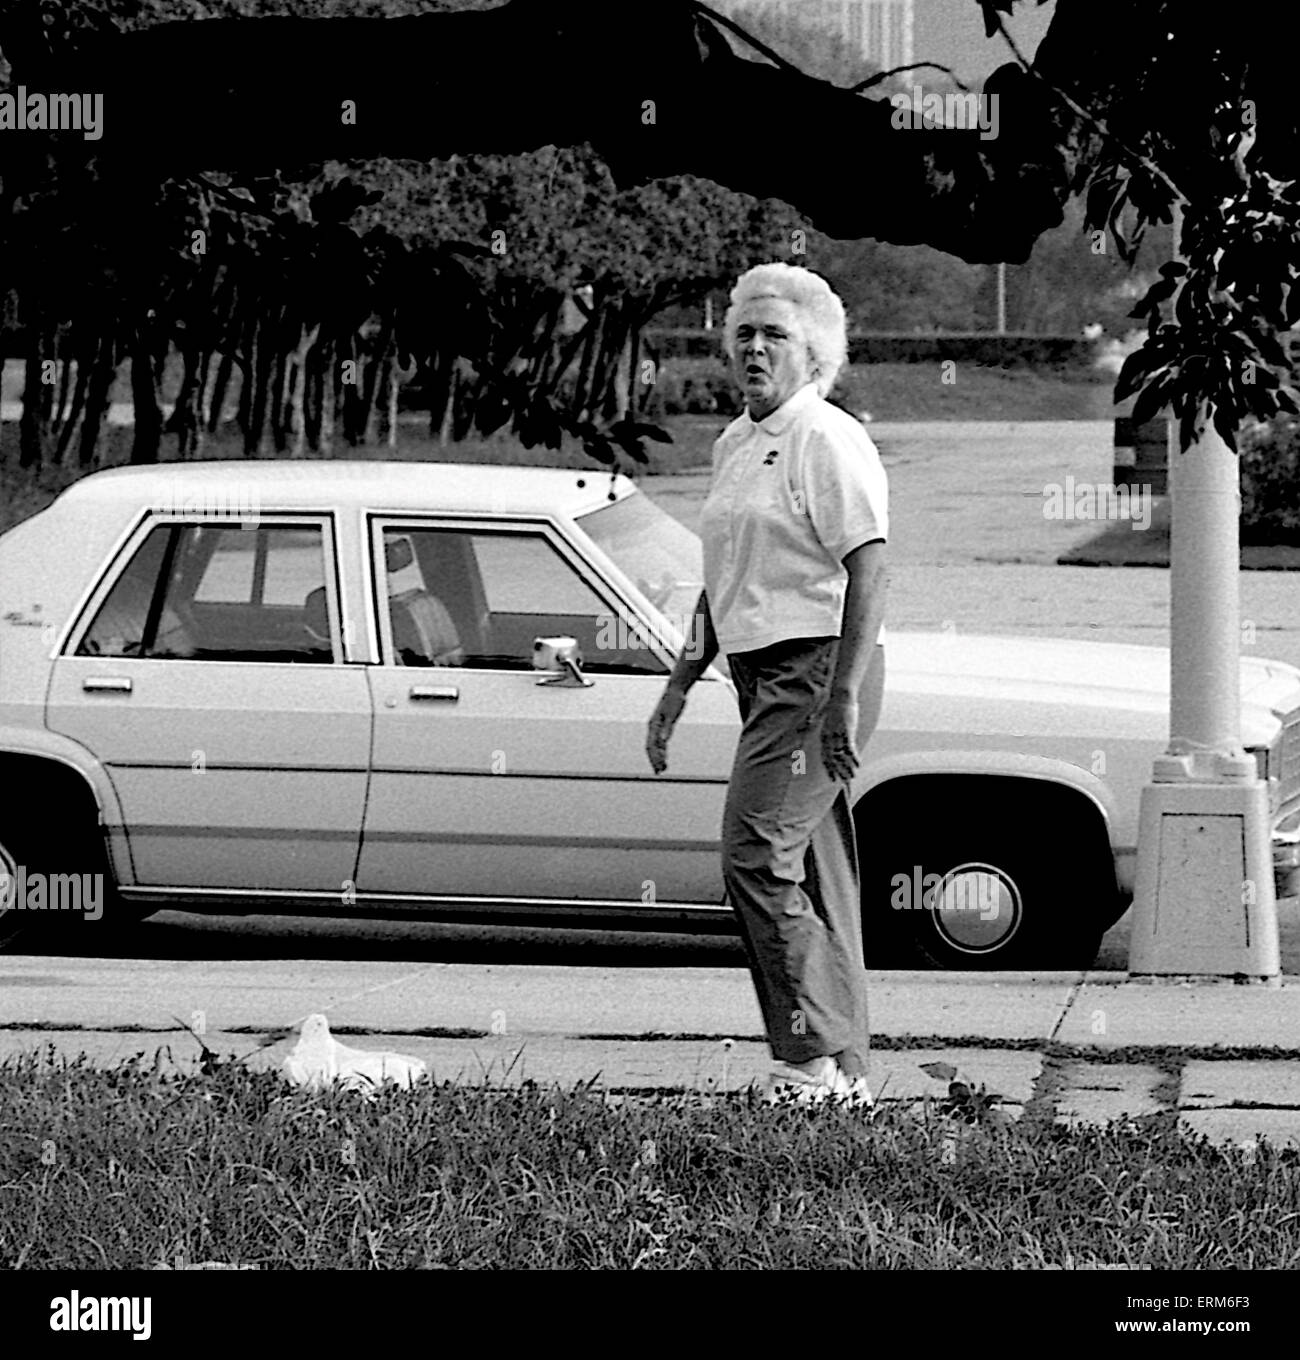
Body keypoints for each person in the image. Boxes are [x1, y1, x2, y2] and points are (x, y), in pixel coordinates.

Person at [646, 262, 888, 1107]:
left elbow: (871, 569)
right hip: (760, 670)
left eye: (775, 334)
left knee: (753, 855)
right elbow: (725, 579)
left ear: (813, 352)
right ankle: (844, 1068)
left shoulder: (826, 437)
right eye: (744, 332)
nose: (754, 347)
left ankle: (811, 1059)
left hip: (818, 668)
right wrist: (680, 686)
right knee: (814, 871)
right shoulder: (735, 443)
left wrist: (845, 695)